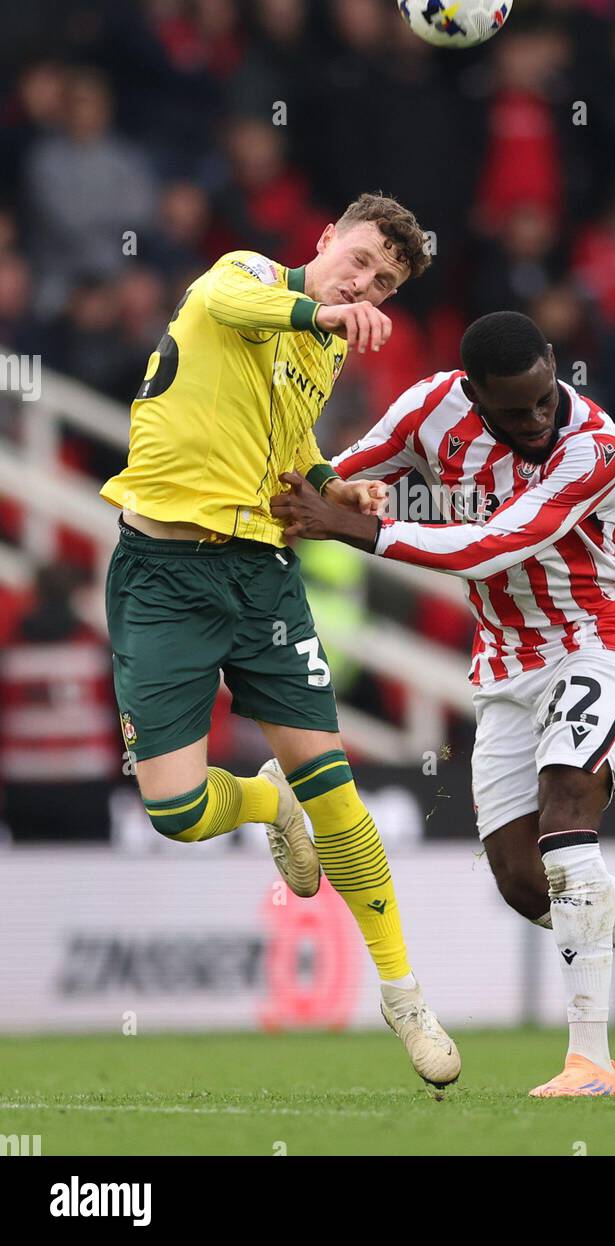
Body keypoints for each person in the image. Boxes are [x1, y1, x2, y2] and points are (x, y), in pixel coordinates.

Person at [273, 310, 615, 1098]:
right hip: (504, 662)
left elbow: (494, 543)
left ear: (555, 367)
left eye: (543, 398)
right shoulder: (431, 407)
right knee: (526, 884)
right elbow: (337, 467)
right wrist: (323, 492)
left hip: (599, 639)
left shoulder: (593, 445)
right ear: (473, 394)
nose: (536, 419)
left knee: (567, 812)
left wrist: (355, 529)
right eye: (514, 411)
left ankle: (590, 1063)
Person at [99, 192, 460, 1088]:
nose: (365, 284)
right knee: (177, 814)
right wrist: (322, 306)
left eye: (384, 282)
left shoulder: (325, 342)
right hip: (162, 571)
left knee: (335, 785)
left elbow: (289, 441)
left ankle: (405, 997)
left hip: (258, 573)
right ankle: (268, 805)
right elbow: (235, 307)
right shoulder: (250, 275)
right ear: (327, 238)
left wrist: (340, 486)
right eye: (362, 259)